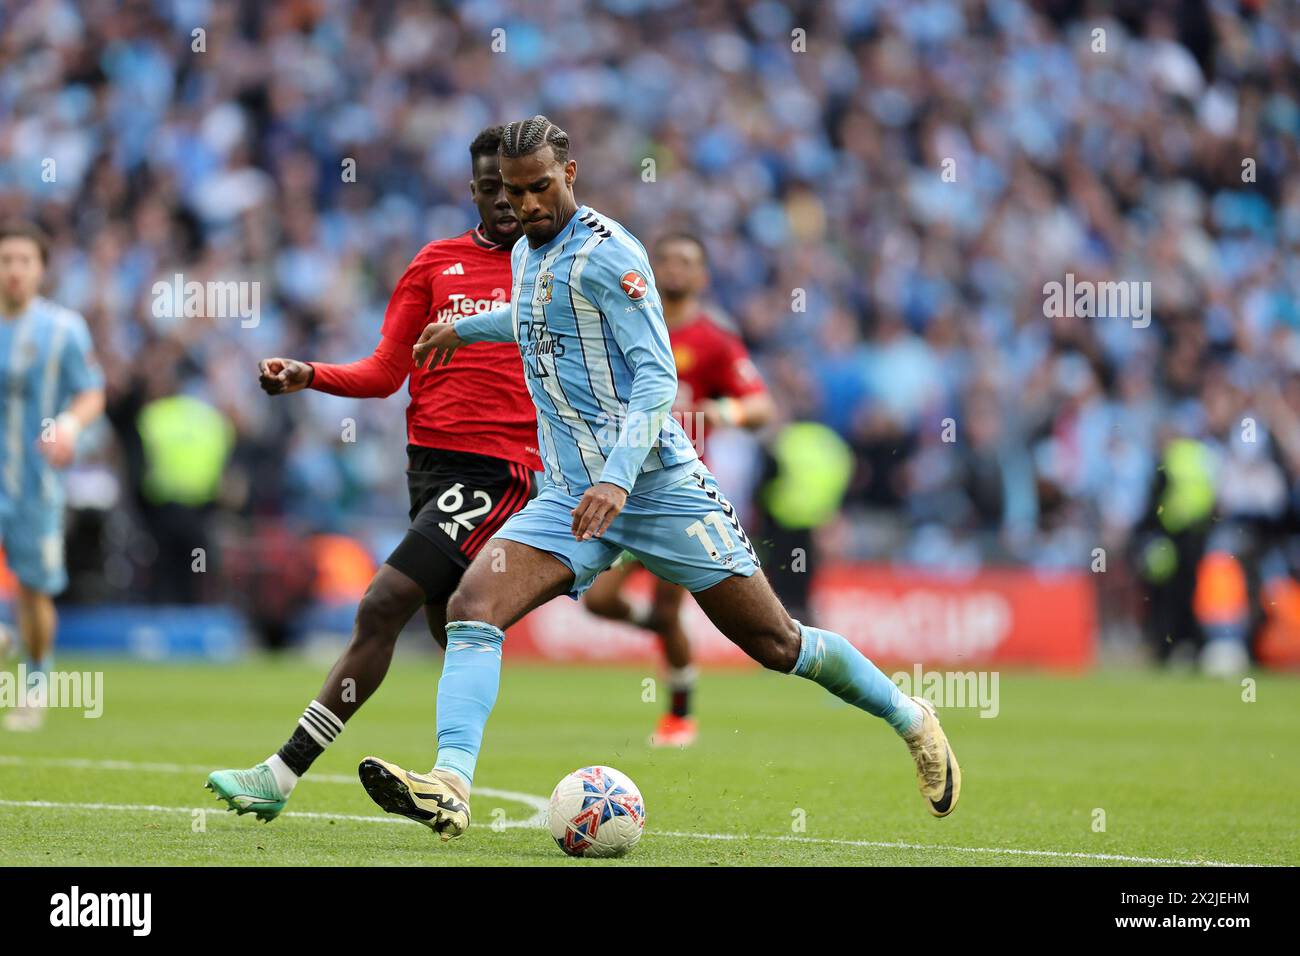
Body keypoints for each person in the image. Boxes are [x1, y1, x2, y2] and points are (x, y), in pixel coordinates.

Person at [356, 116, 961, 841]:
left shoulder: (614, 256)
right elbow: (537, 314)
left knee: (777, 644)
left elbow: (655, 379)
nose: (529, 204)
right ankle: (451, 783)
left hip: (656, 487)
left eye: (542, 187)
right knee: (472, 606)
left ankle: (910, 716)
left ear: (570, 174)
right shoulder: (526, 250)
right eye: (515, 194)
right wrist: (466, 328)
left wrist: (616, 479)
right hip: (570, 494)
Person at [205, 127, 541, 819]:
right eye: (489, 190)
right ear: (472, 190)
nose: (503, 203)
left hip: (500, 468)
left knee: (381, 601)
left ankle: (281, 773)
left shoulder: (558, 266)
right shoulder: (433, 265)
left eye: (513, 189)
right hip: (429, 466)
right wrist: (310, 374)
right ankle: (454, 790)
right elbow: (387, 371)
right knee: (451, 631)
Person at [582, 232, 773, 747]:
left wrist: (721, 411)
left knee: (669, 608)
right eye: (665, 258)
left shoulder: (714, 340)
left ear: (703, 276)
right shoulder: (625, 323)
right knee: (598, 601)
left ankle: (680, 714)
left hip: (676, 494)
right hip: (619, 484)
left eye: (687, 261)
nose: (674, 268)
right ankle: (665, 630)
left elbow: (762, 407)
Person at [0, 220, 105, 731]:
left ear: (40, 269)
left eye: (24, 261)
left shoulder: (63, 328)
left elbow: (91, 392)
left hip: (36, 482)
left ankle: (35, 682)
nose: (14, 271)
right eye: (6, 261)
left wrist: (67, 426)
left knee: (33, 588)